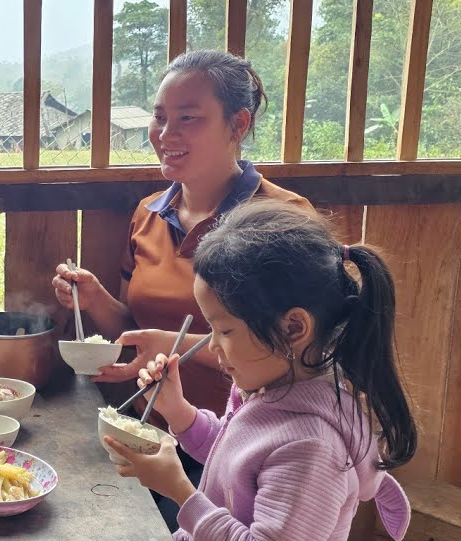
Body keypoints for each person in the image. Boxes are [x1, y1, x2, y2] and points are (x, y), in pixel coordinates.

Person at [93, 200, 414, 541]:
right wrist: (177, 413)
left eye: (224, 330)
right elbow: (233, 455)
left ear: (293, 328)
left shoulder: (313, 444)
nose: (212, 347)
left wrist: (182, 492)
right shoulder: (276, 383)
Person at [52, 50, 314, 517]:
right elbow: (136, 326)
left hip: (242, 451)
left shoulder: (282, 219)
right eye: (159, 118)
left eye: (188, 118)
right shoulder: (148, 213)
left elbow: (296, 354)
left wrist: (172, 347)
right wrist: (95, 300)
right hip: (144, 435)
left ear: (238, 124)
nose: (165, 135)